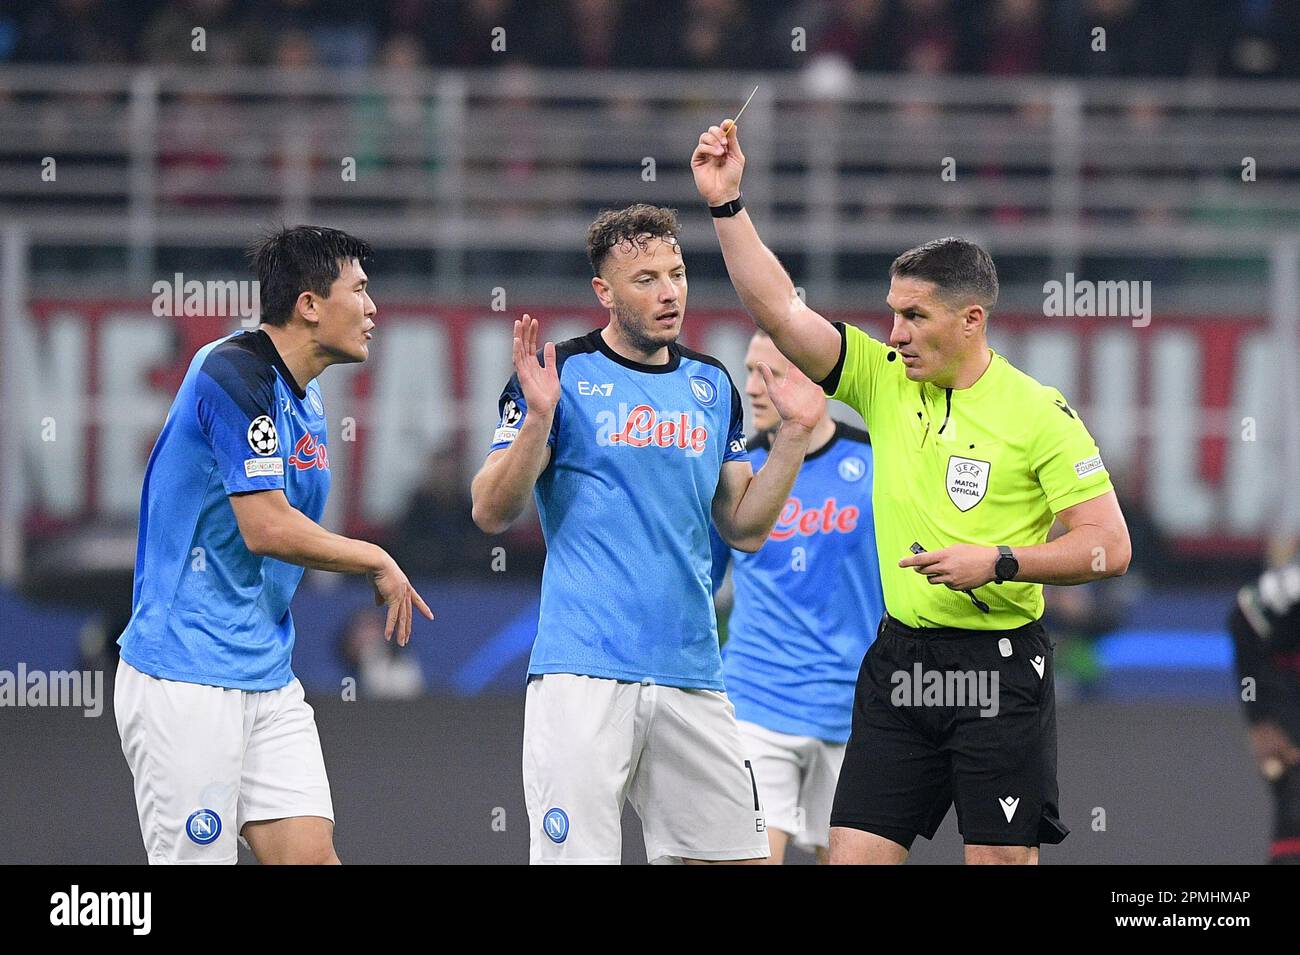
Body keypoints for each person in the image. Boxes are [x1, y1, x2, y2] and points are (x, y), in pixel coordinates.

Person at [691, 121, 1132, 865]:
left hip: (997, 666)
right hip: (900, 662)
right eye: (892, 312)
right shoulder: (881, 378)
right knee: (854, 857)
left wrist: (996, 561)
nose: (893, 332)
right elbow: (779, 310)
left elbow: (1109, 547)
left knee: (998, 859)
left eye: (914, 316)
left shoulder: (1039, 414)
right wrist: (727, 204)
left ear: (971, 319)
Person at [470, 203, 824, 864]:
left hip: (692, 669)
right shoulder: (558, 376)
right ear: (603, 291)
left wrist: (795, 439)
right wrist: (538, 423)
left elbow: (743, 526)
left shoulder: (711, 384)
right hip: (585, 671)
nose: (669, 292)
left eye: (677, 273)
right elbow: (492, 508)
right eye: (646, 279)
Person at [114, 226, 432, 865]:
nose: (374, 310)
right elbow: (268, 527)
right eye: (360, 291)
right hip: (186, 675)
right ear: (310, 304)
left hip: (265, 675)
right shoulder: (230, 373)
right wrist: (375, 557)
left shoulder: (307, 396)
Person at [710, 329, 884, 863]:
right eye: (749, 372)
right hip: (756, 706)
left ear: (817, 380)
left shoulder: (879, 464)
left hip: (856, 715)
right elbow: (700, 582)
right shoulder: (736, 473)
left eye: (773, 374)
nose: (754, 389)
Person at [1229, 559, 1300, 863]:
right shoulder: (1290, 587)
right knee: (1292, 780)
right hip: (1281, 681)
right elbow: (1243, 614)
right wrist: (1259, 720)